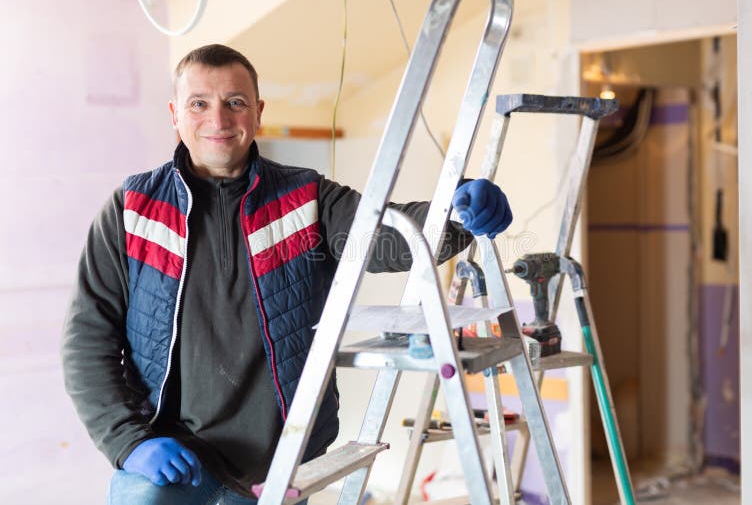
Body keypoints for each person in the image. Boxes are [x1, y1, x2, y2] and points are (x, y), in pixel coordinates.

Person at [61, 44, 512, 505]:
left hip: (279, 469)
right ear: (175, 115)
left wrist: (459, 212)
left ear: (257, 113)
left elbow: (388, 234)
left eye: (235, 103)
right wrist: (128, 443)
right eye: (199, 104)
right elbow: (86, 340)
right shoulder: (133, 209)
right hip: (172, 465)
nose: (218, 120)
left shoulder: (304, 198)